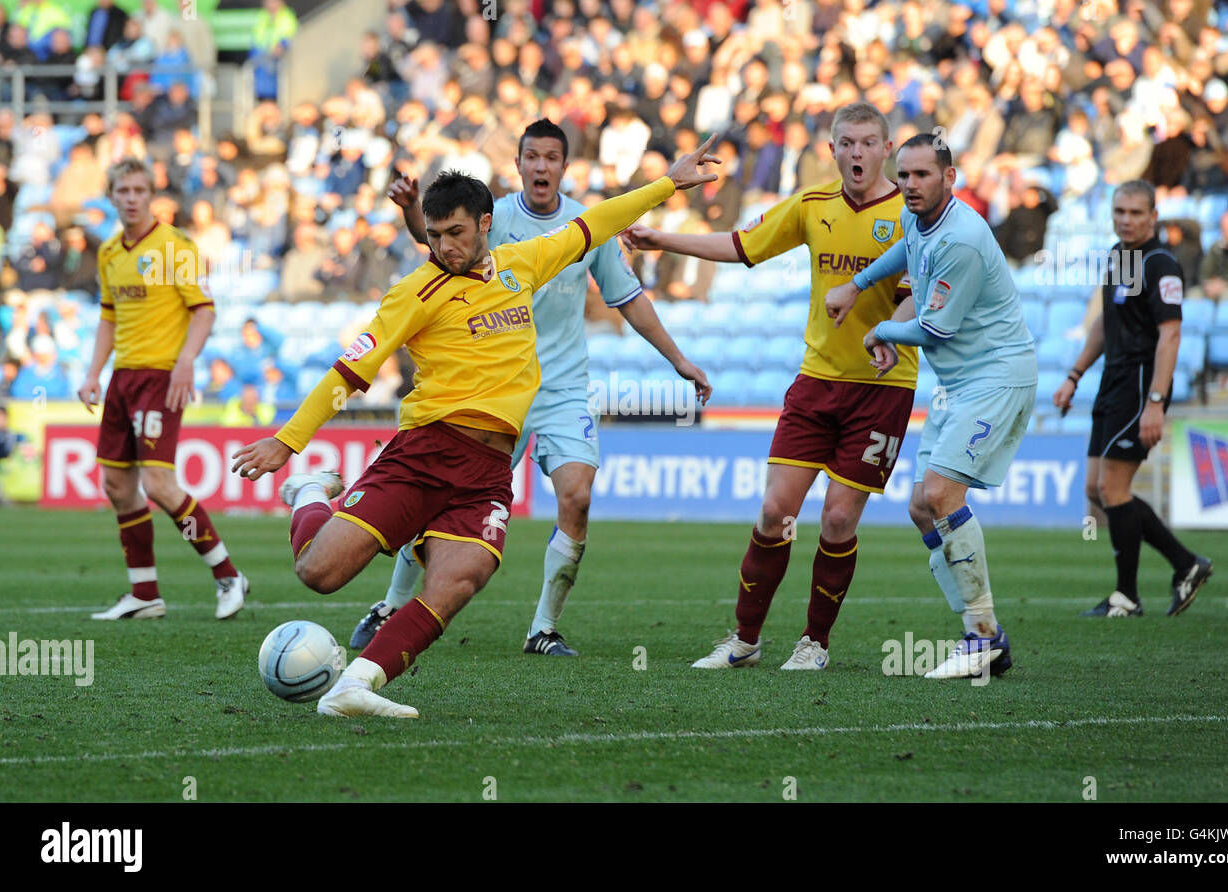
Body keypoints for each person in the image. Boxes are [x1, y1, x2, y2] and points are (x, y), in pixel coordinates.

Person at [229, 137, 721, 719]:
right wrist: (287, 443)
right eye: (434, 235)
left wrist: (669, 184)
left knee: (463, 576)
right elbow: (350, 372)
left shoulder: (522, 265)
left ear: (485, 224)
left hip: (487, 471)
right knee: (319, 572)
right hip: (424, 452)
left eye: (455, 233)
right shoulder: (414, 292)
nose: (443, 246)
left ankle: (354, 685)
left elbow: (595, 223)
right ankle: (309, 491)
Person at [348, 119, 712, 657]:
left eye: (551, 158)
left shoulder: (588, 225)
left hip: (562, 387)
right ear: (517, 164)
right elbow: (442, 249)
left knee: (578, 496)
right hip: (494, 390)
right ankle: (390, 606)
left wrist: (678, 359)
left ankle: (543, 627)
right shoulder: (491, 219)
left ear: (565, 166)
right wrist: (410, 210)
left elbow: (628, 298)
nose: (541, 166)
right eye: (532, 157)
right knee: (437, 502)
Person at [622, 102, 915, 671]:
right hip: (816, 381)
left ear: (887, 150)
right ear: (831, 151)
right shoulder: (813, 205)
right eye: (846, 143)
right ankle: (745, 639)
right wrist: (665, 239)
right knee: (775, 512)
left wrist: (889, 331)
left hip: (882, 389)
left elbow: (914, 291)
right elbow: (741, 246)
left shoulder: (908, 213)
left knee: (836, 520)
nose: (857, 153)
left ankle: (815, 642)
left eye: (868, 144)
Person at [825, 133, 1037, 679]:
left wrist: (881, 329)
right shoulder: (919, 220)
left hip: (995, 377)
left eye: (922, 175)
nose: (910, 185)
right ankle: (985, 631)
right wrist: (858, 283)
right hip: (959, 385)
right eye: (903, 175)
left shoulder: (962, 239)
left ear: (950, 177)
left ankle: (981, 637)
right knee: (921, 506)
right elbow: (905, 249)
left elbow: (936, 327)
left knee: (942, 494)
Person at [79, 158, 248, 621]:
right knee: (116, 483)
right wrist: (93, 373)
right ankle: (145, 592)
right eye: (122, 190)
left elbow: (204, 310)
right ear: (111, 196)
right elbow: (108, 318)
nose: (131, 198)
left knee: (158, 483)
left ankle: (228, 574)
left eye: (138, 190)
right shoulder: (109, 251)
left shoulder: (175, 246)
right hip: (122, 379)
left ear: (150, 195)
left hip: (160, 377)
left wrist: (185, 362)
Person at [1053, 180, 1213, 618]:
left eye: (1136, 213)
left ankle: (1127, 596)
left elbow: (1171, 334)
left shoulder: (1161, 265)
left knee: (1112, 487)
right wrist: (1074, 374)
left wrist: (1156, 401)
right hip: (1111, 380)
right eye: (1119, 211)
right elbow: (1107, 323)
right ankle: (1186, 563)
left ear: (1153, 216)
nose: (1126, 219)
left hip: (1141, 383)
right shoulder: (1120, 257)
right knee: (1095, 488)